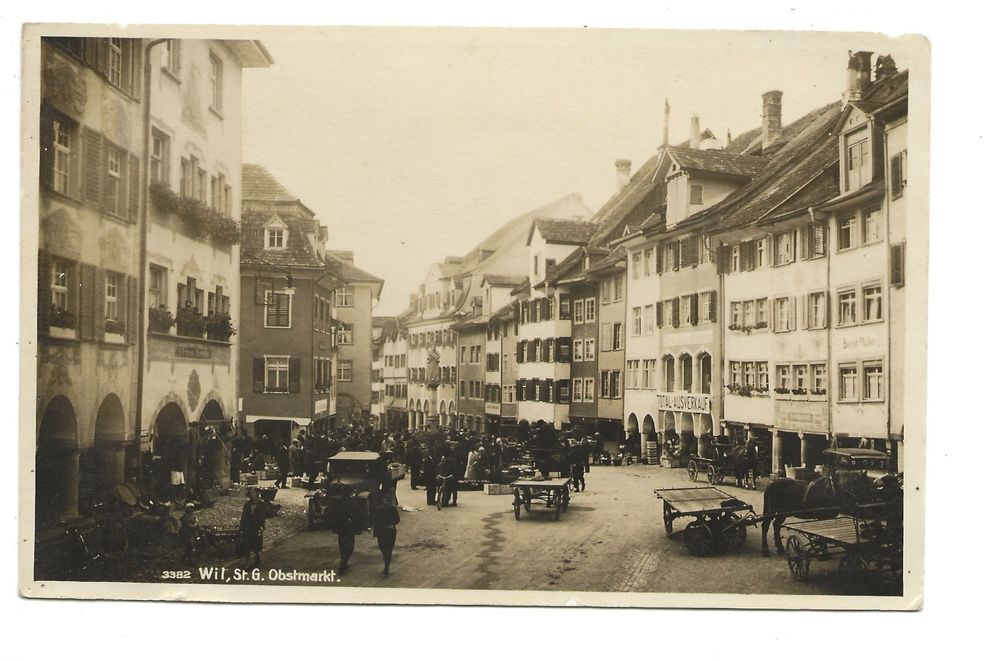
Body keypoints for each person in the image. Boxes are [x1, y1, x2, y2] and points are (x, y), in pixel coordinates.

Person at [238, 488, 267, 567]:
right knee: (247, 545)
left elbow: (262, 517)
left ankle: (257, 558)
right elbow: (243, 517)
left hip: (257, 527)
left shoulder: (261, 504)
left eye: (253, 493)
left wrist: (262, 526)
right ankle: (247, 562)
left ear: (257, 494)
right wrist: (241, 528)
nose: (252, 495)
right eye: (250, 493)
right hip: (248, 527)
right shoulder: (247, 505)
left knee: (257, 545)